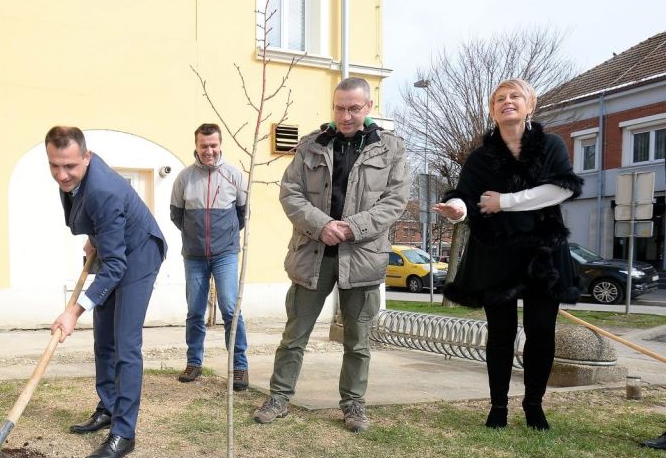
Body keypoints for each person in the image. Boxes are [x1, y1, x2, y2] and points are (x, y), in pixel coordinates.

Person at [253, 77, 409, 432]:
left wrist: (352, 227)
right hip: (313, 253)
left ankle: (353, 404)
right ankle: (279, 397)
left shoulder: (391, 149)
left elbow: (395, 201)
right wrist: (321, 225)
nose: (346, 116)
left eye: (354, 108)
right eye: (339, 108)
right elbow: (290, 193)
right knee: (294, 335)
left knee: (358, 340)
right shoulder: (311, 144)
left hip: (362, 256)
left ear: (369, 107)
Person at [434, 78, 583, 431]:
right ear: (493, 111)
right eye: (499, 98)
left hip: (543, 251)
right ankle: (498, 407)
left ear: (530, 105)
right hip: (495, 252)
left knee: (541, 330)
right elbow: (466, 196)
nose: (507, 101)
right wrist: (457, 209)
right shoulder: (481, 156)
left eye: (515, 96)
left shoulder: (550, 145)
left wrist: (505, 201)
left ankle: (534, 406)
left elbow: (560, 189)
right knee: (500, 332)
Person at [46, 126, 166, 458]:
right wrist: (96, 236)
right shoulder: (77, 181)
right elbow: (92, 216)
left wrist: (73, 311)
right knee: (104, 338)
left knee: (125, 344)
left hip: (138, 256)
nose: (62, 174)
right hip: (114, 252)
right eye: (54, 165)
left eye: (69, 166)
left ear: (87, 157)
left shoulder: (104, 191)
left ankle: (124, 432)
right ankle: (108, 407)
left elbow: (115, 265)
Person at [170, 123, 249, 391]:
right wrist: (195, 236)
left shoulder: (234, 176)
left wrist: (223, 236)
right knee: (195, 311)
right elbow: (176, 215)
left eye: (213, 145)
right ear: (196, 146)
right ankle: (194, 363)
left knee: (230, 310)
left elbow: (242, 214)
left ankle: (239, 366)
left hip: (225, 254)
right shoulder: (184, 178)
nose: (209, 151)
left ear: (220, 144)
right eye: (204, 146)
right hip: (194, 256)